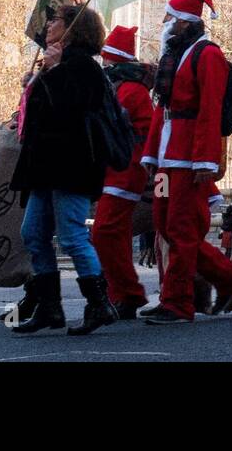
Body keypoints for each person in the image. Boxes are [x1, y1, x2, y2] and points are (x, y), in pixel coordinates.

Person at [8, 1, 118, 335]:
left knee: (71, 235)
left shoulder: (84, 66)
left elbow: (71, 110)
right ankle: (49, 306)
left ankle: (99, 304)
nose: (49, 24)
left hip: (71, 166)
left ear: (72, 30)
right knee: (33, 234)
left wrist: (53, 74)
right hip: (44, 167)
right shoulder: (54, 63)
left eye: (55, 20)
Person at [139, 0, 232, 325]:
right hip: (166, 159)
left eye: (170, 18)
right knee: (164, 223)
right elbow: (163, 108)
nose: (166, 24)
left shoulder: (207, 54)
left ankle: (178, 301)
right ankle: (228, 276)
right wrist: (150, 155)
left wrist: (205, 161)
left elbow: (210, 108)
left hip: (188, 159)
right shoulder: (174, 56)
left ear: (185, 22)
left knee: (181, 228)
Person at [89, 25, 156, 319]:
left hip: (126, 169)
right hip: (120, 169)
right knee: (112, 234)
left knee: (105, 232)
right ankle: (125, 294)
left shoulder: (130, 91)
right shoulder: (125, 88)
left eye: (106, 59)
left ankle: (128, 292)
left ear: (113, 60)